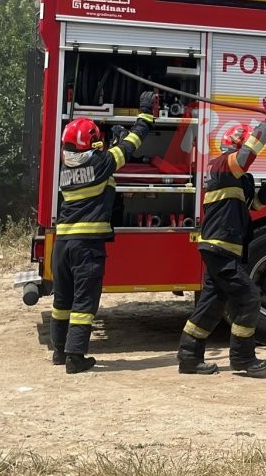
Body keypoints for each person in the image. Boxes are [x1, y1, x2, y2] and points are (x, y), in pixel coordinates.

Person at [49, 90, 157, 374]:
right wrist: (145, 113)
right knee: (85, 301)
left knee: (63, 300)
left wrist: (113, 141)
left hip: (61, 245)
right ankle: (75, 357)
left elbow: (99, 158)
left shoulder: (65, 169)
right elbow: (133, 145)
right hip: (86, 247)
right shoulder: (102, 163)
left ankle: (59, 351)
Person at [177, 108, 266, 375]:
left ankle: (189, 357)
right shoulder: (223, 165)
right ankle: (243, 358)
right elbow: (247, 154)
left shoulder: (239, 178)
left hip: (222, 247)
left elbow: (254, 205)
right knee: (249, 298)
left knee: (213, 302)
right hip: (220, 246)